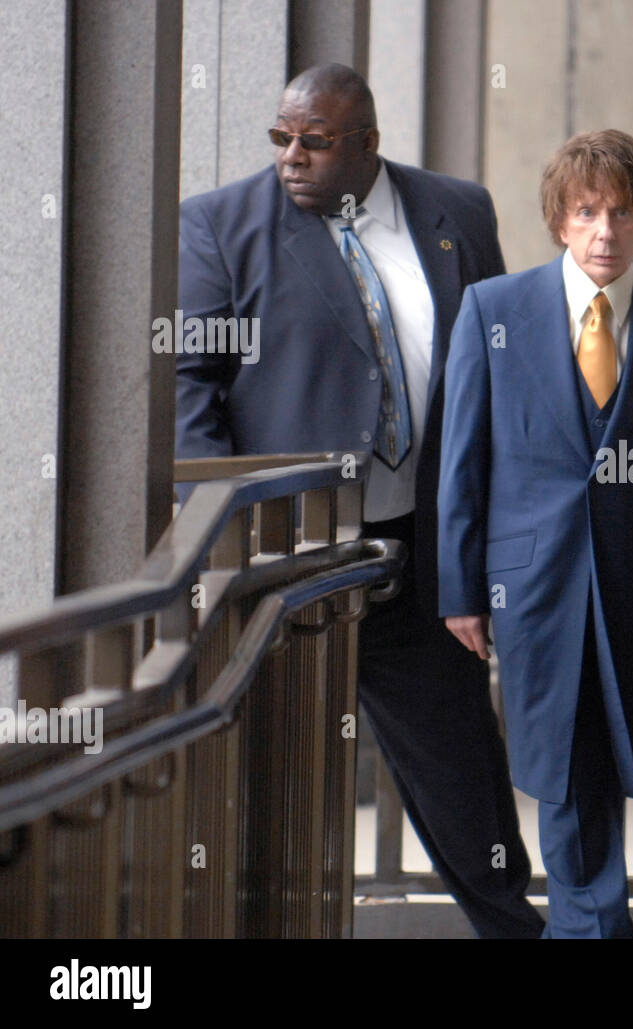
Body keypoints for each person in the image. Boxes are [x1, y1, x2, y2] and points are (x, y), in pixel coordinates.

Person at [174, 63, 542, 938]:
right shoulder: (222, 224)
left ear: (368, 143)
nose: (291, 157)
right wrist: (233, 543)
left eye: (314, 140)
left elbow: (498, 364)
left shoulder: (459, 211)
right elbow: (192, 393)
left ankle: (513, 927)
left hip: (421, 550)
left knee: (457, 764)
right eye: (281, 137)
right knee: (269, 775)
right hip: (288, 561)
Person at [438, 129, 633, 938]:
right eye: (587, 211)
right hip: (531, 584)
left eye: (623, 212)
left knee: (608, 759)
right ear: (561, 221)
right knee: (564, 768)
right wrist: (459, 588)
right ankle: (593, 926)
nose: (606, 230)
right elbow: (462, 461)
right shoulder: (492, 312)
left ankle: (592, 924)